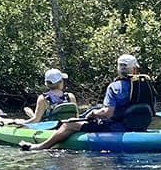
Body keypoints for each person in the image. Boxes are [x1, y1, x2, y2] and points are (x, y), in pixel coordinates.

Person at [19, 54, 151, 151]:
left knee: (68, 125)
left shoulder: (114, 87)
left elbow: (107, 113)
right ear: (135, 70)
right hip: (139, 126)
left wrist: (93, 113)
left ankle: (39, 147)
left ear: (119, 69)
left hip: (116, 127)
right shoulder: (146, 85)